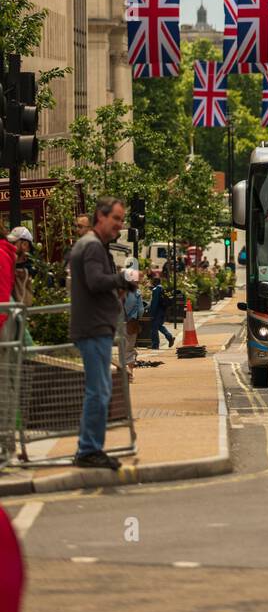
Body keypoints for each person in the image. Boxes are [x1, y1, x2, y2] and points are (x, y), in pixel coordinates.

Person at [68, 197, 140, 470]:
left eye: (122, 220)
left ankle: (90, 448)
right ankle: (88, 450)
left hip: (95, 327)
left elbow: (98, 283)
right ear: (101, 216)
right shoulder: (92, 246)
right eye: (116, 219)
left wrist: (121, 286)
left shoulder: (93, 246)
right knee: (98, 392)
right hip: (93, 328)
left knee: (100, 390)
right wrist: (124, 279)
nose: (119, 226)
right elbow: (96, 281)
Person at [148, 277, 175, 350]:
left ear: (154, 282)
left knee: (154, 328)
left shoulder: (156, 290)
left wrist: (152, 313)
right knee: (159, 326)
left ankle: (155, 345)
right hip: (162, 311)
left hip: (157, 312)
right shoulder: (162, 288)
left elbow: (155, 302)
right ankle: (170, 337)